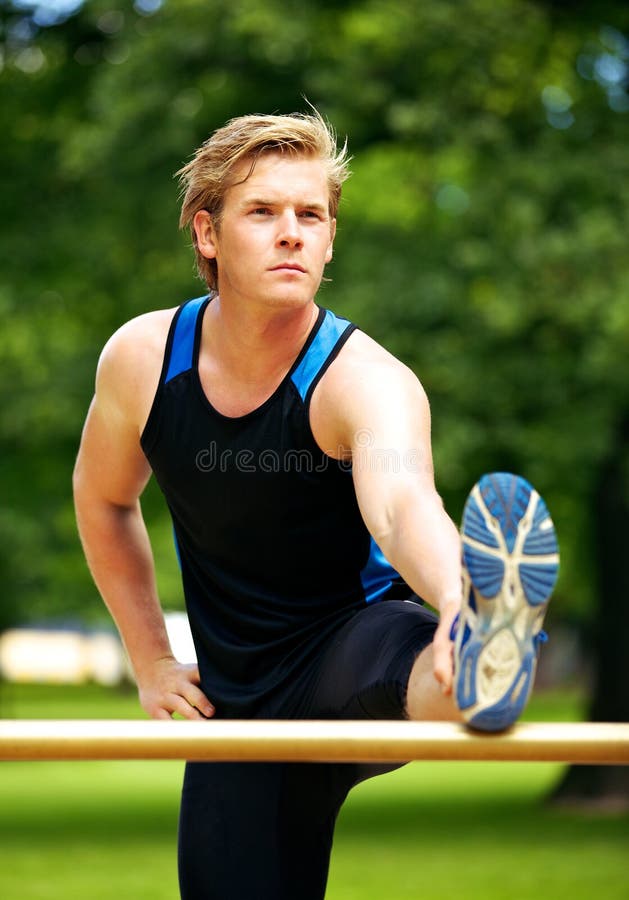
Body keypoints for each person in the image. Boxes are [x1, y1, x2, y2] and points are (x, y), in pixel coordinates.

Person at [73, 109, 559, 899]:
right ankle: (476, 647)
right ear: (207, 234)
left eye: (311, 215)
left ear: (331, 239)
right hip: (235, 702)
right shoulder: (142, 360)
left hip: (348, 641)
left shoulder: (364, 381)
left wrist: (452, 599)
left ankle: (484, 646)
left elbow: (401, 506)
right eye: (262, 212)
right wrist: (150, 657)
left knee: (428, 671)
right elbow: (102, 498)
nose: (291, 234)